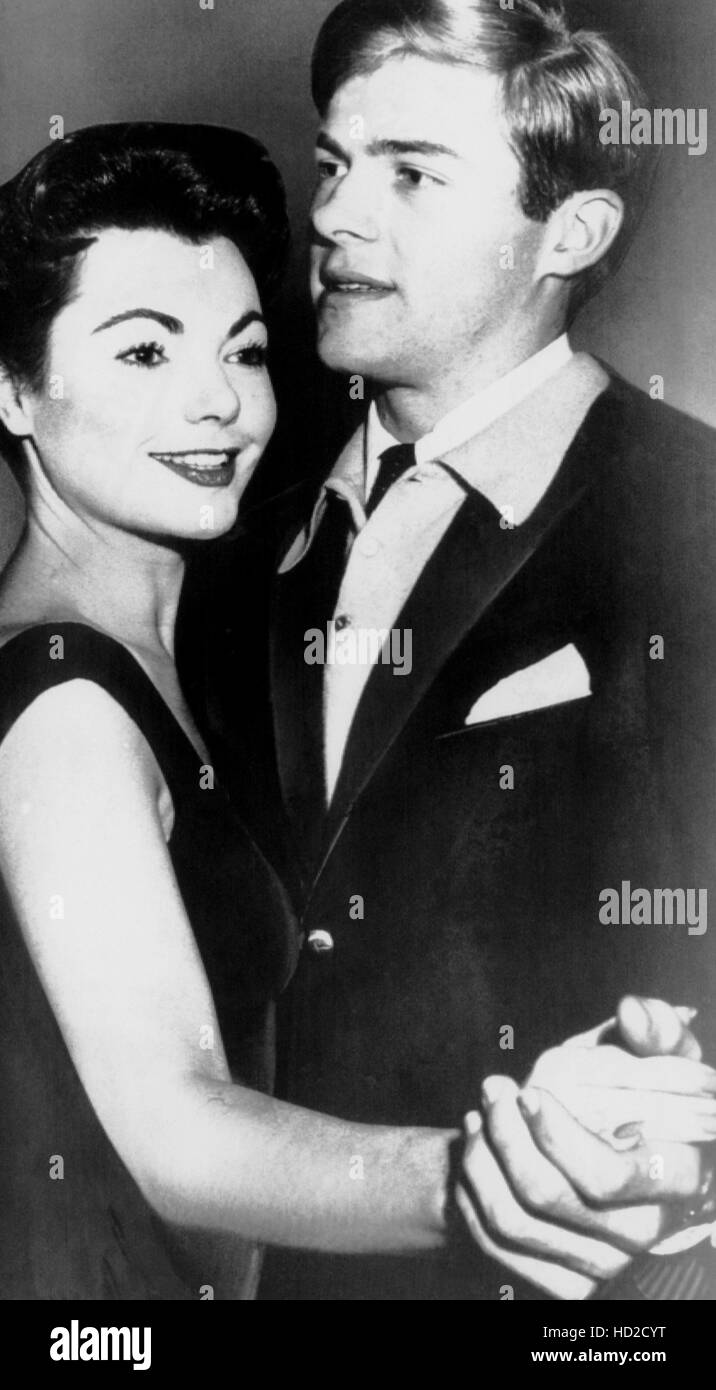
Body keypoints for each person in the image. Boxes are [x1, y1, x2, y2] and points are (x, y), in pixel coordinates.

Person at [186, 2, 716, 1300]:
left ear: (569, 232)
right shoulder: (220, 518)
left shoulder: (695, 519)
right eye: (334, 164)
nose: (336, 217)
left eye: (411, 174)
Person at [0, 120, 515, 1301]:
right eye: (143, 354)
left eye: (241, 352)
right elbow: (174, 1135)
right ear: (18, 390)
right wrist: (496, 1176)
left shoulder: (188, 651)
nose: (219, 406)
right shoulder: (63, 700)